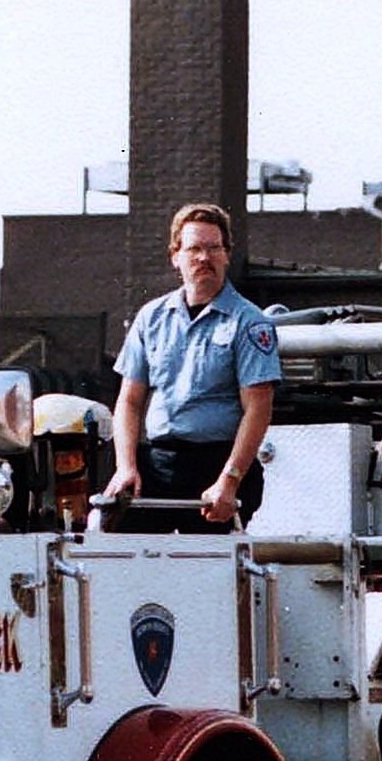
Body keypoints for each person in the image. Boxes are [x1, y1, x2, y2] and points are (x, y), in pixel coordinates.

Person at [102, 202, 279, 531]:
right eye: (194, 249)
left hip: (217, 467)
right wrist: (126, 467)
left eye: (214, 248)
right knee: (124, 553)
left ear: (226, 255)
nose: (204, 258)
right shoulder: (151, 318)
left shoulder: (250, 323)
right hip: (157, 465)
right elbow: (129, 401)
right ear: (175, 256)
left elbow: (258, 407)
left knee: (208, 561)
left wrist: (229, 480)